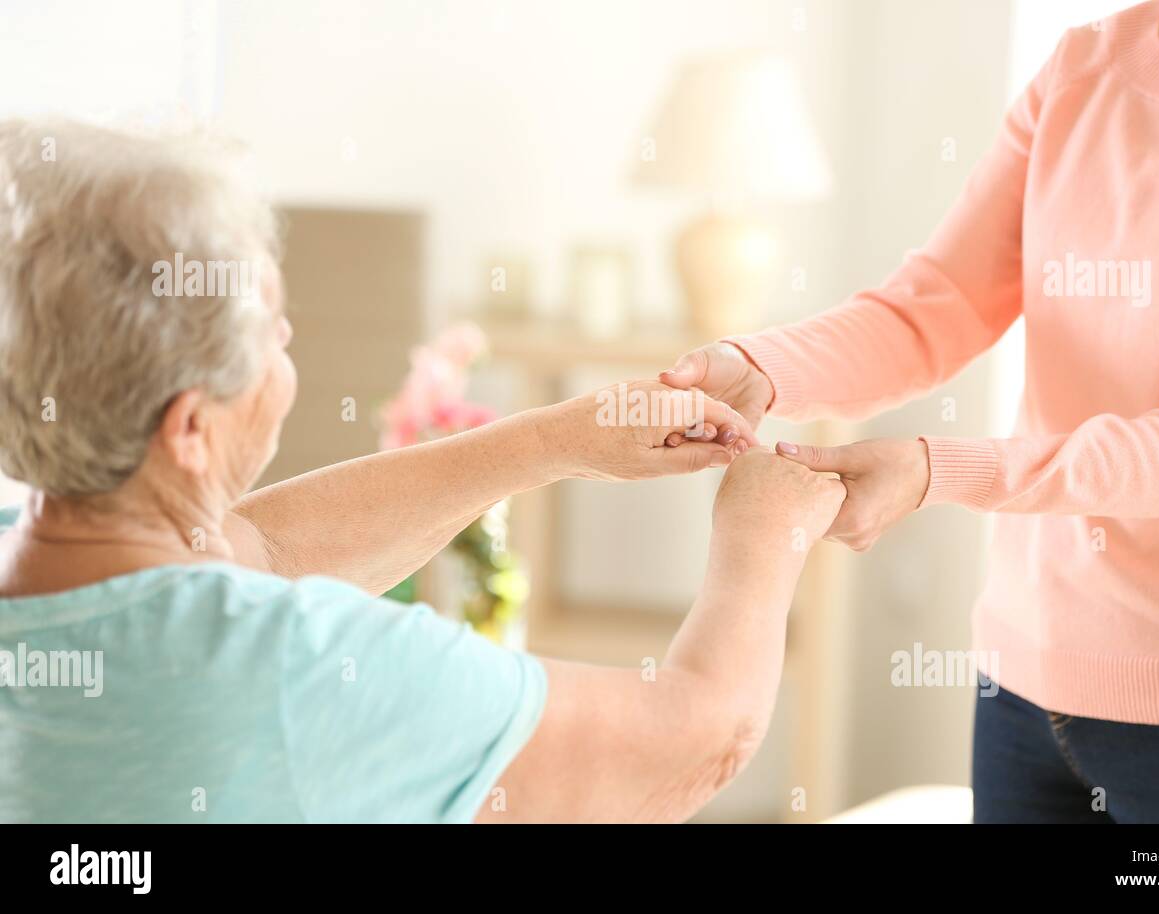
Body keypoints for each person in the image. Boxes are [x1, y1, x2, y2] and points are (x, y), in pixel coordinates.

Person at [0, 118, 846, 823]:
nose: (289, 342)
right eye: (271, 333)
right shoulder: (297, 669)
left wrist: (550, 442)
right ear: (188, 429)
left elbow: (249, 547)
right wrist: (767, 531)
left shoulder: (50, 560)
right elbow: (695, 741)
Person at [661, 0, 1159, 823]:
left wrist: (942, 469)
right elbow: (940, 305)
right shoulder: (1086, 65)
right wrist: (759, 369)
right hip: (1023, 677)